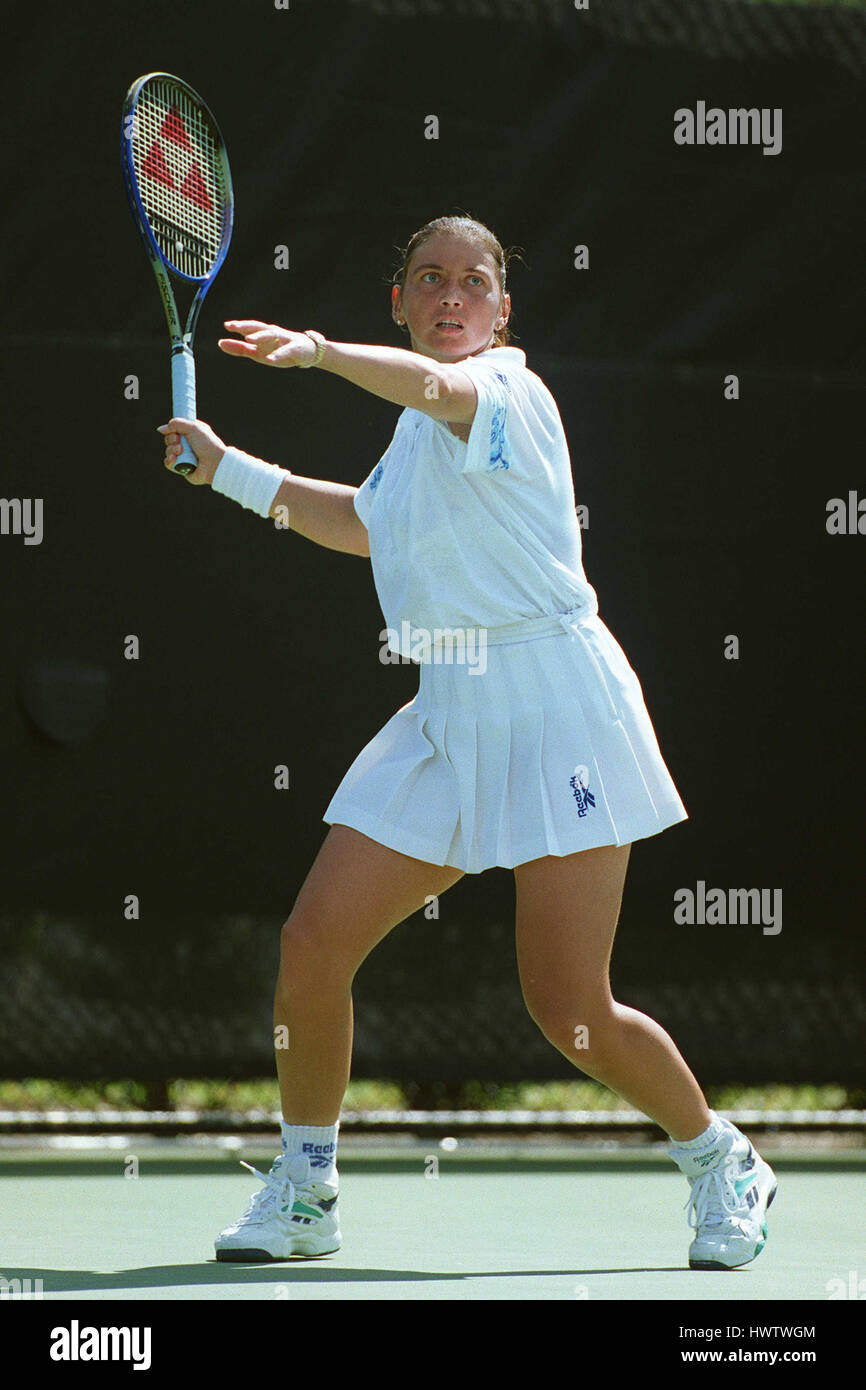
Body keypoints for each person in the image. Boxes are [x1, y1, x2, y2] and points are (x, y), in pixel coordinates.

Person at [157, 214, 776, 1270]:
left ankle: (719, 1158)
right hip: (448, 710)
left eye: (473, 283)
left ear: (501, 311)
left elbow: (437, 392)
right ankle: (304, 1188)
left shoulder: (506, 396)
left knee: (568, 1007)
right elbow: (364, 523)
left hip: (558, 709)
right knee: (312, 944)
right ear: (398, 298)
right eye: (428, 279)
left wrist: (317, 354)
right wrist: (227, 471)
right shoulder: (409, 441)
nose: (451, 296)